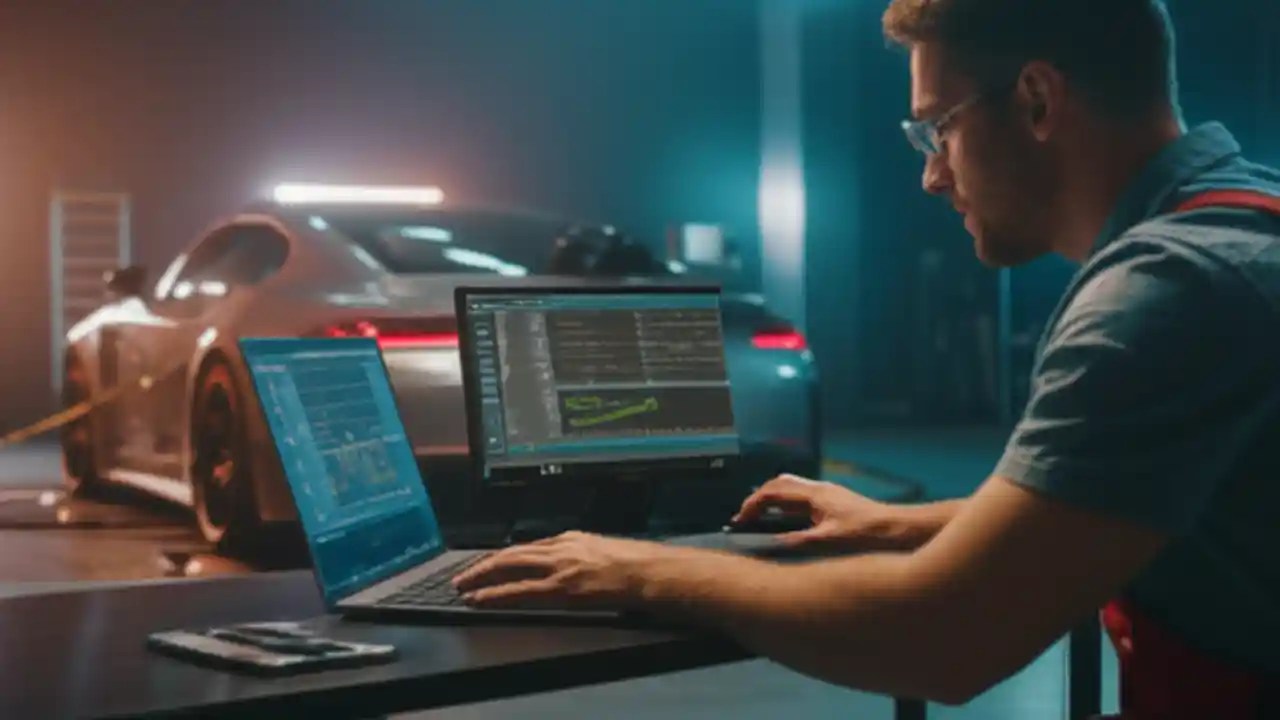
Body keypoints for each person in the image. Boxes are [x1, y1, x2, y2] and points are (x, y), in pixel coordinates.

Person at [455, 0, 1280, 710]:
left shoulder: (1167, 292)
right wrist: (898, 525)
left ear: (1035, 99)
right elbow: (1119, 506)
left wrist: (640, 572)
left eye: (938, 129)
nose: (931, 176)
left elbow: (944, 638)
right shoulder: (1248, 217)